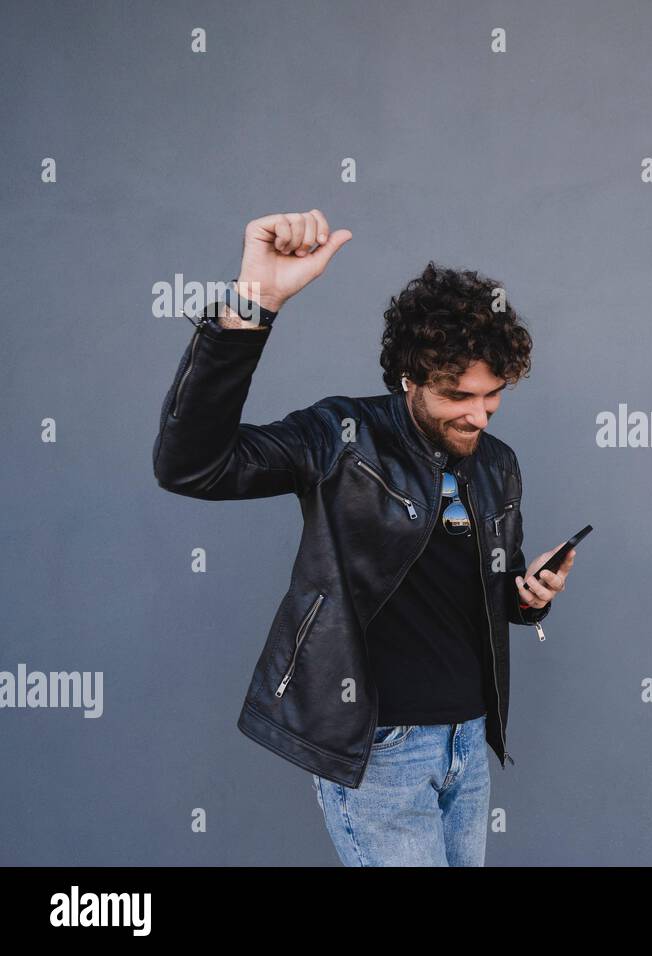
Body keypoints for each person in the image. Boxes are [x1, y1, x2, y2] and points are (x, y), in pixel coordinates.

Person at [153, 210, 576, 866]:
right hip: (381, 749)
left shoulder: (497, 462)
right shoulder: (341, 437)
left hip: (467, 744)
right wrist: (252, 305)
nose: (478, 414)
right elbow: (194, 465)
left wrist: (531, 594)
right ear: (408, 378)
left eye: (493, 397)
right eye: (459, 396)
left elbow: (492, 589)